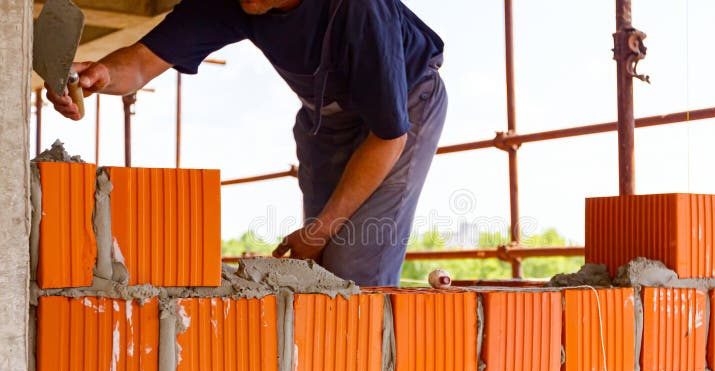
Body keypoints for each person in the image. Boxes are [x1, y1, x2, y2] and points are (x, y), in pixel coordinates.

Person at [47, 0, 447, 287]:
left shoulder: (360, 10)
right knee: (321, 271)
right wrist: (100, 73)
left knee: (353, 266)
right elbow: (140, 62)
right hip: (329, 115)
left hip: (402, 110)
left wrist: (322, 228)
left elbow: (390, 135)